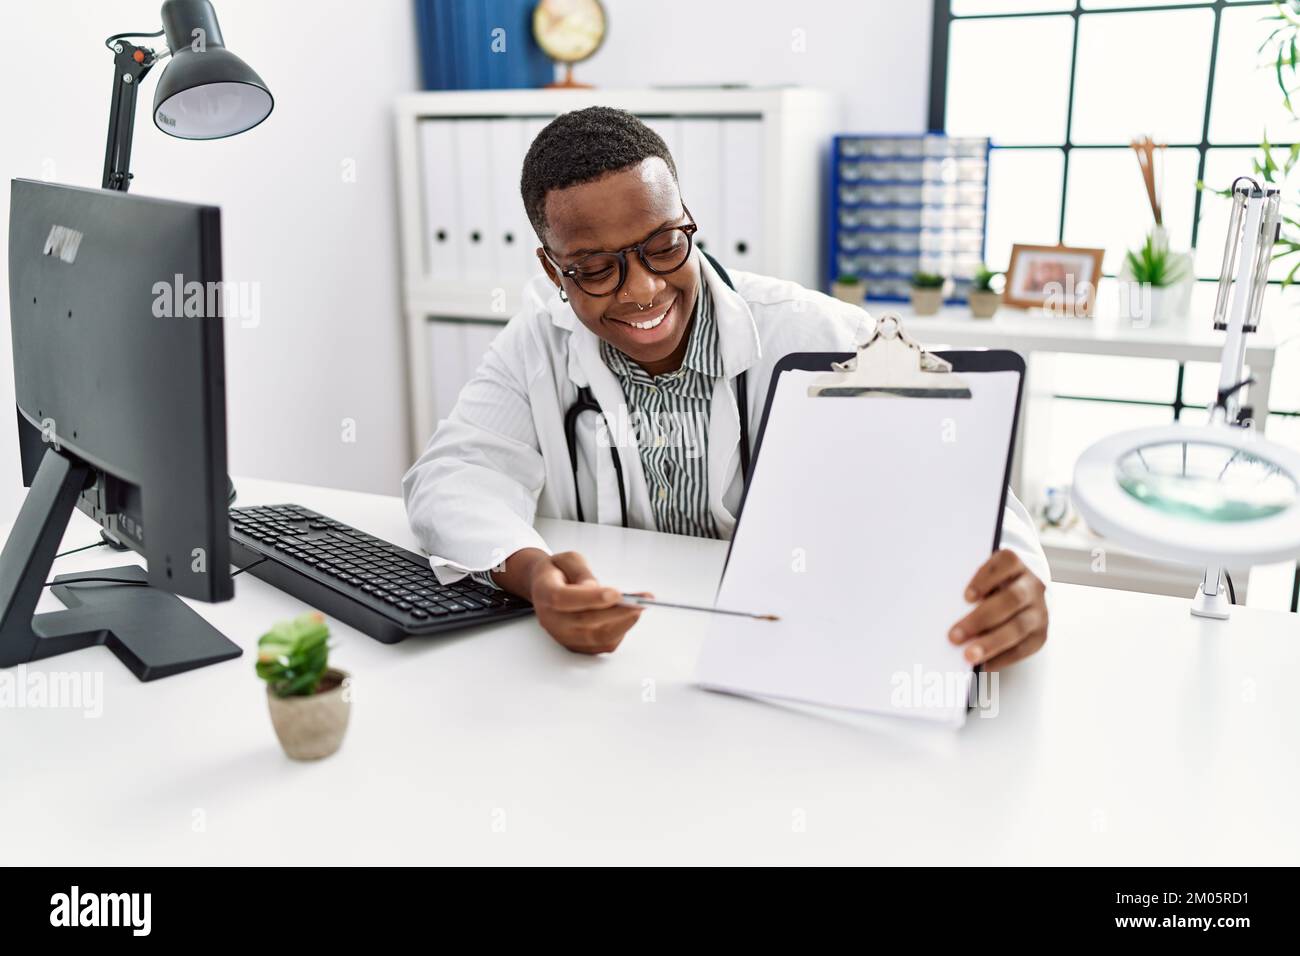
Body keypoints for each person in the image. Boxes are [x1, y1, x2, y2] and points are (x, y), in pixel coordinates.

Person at [403, 107, 1049, 668]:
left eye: (663, 244)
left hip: (794, 650)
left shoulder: (819, 332)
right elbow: (454, 474)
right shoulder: (535, 344)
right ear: (552, 269)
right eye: (596, 269)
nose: (643, 289)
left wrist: (1016, 581)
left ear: (688, 219)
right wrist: (534, 575)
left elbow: (966, 478)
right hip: (625, 667)